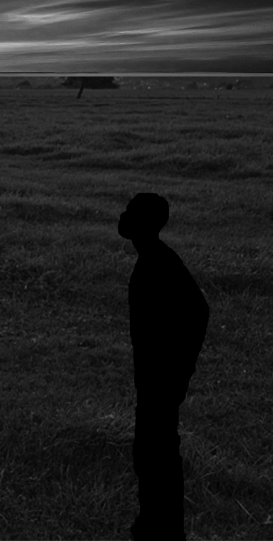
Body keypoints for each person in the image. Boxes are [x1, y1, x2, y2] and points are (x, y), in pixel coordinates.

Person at [118, 193, 209, 541]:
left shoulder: (159, 263)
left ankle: (162, 529)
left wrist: (178, 375)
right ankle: (153, 524)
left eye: (130, 212)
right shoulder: (152, 260)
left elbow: (198, 313)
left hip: (160, 383)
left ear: (144, 222)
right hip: (154, 381)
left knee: (157, 458)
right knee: (150, 455)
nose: (122, 216)